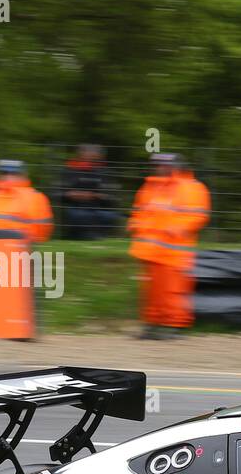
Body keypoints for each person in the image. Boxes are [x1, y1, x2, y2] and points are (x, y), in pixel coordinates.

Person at [128, 153, 211, 339]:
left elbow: (199, 215)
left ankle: (174, 326)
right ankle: (153, 324)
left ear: (174, 167)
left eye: (162, 164)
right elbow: (138, 211)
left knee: (173, 291)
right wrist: (135, 224)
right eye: (156, 164)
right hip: (150, 251)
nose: (157, 167)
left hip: (174, 251)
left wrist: (179, 227)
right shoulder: (149, 187)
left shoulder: (192, 188)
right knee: (152, 291)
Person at [0, 160, 53, 242]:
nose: (8, 176)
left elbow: (43, 230)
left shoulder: (36, 197)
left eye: (14, 173)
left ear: (23, 175)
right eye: (4, 173)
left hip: (21, 247)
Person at [59, 144, 117, 239]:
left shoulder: (103, 171)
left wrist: (95, 196)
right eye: (89, 152)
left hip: (97, 207)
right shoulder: (70, 169)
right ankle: (83, 237)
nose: (93, 155)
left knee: (109, 216)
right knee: (77, 215)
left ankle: (95, 237)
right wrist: (71, 195)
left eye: (95, 153)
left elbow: (111, 196)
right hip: (75, 206)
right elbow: (59, 193)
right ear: (80, 154)